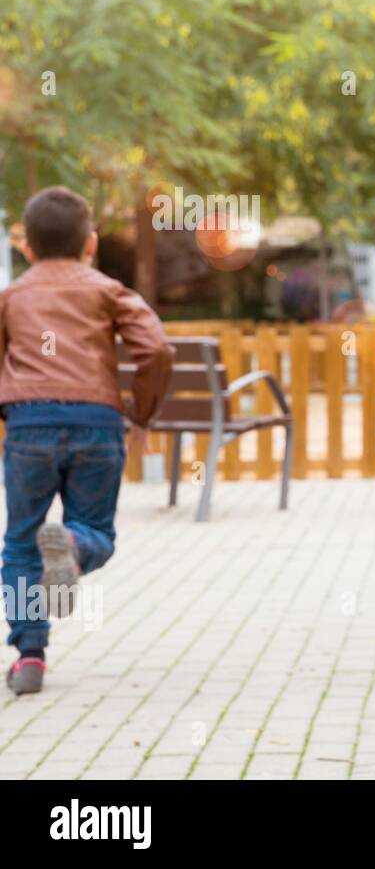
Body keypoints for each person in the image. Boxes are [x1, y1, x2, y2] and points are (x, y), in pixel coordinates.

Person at [1, 186, 174, 695]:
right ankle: (75, 545)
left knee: (20, 542)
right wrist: (140, 412)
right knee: (95, 528)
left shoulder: (11, 298)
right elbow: (156, 349)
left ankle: (29, 656)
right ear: (91, 243)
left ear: (26, 248)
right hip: (97, 422)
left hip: (29, 424)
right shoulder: (109, 291)